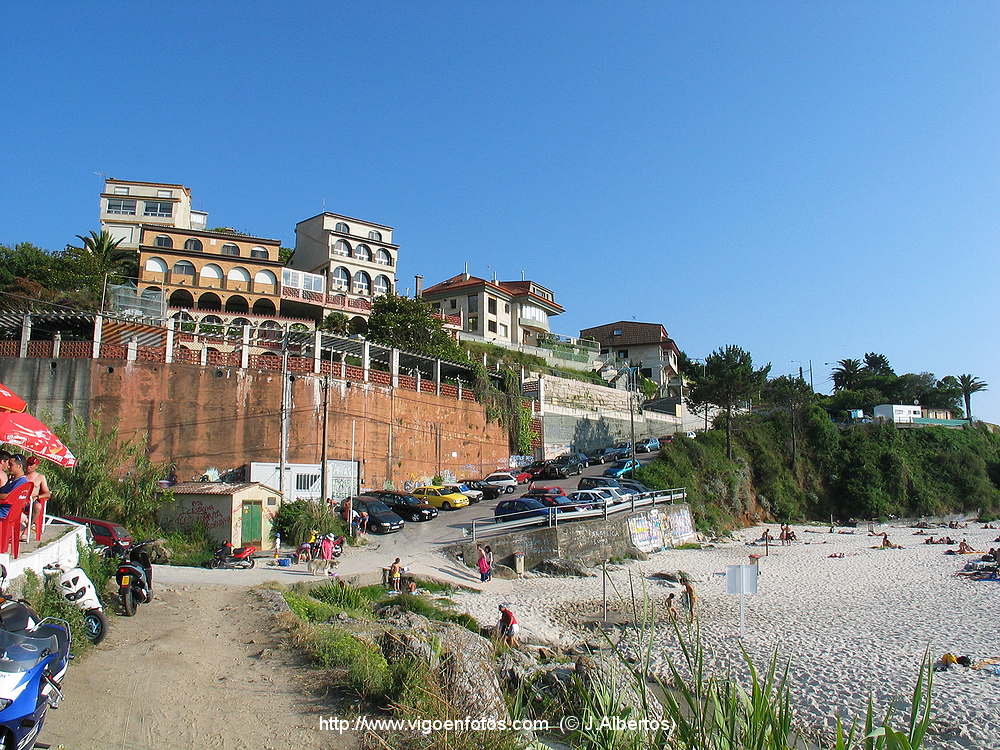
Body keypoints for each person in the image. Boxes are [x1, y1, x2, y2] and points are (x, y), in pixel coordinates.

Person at [0, 454, 31, 537]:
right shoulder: (15, 481)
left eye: (11, 464)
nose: (8, 466)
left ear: (19, 466)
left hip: (5, 512)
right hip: (9, 512)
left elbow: (9, 496)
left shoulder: (21, 482)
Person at [23, 457, 50, 542]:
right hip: (20, 500)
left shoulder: (40, 477)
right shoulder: (21, 475)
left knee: (38, 506)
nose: (28, 466)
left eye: (31, 465)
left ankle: (27, 529)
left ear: (36, 466)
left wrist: (37, 497)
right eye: (27, 464)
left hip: (31, 501)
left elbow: (47, 493)